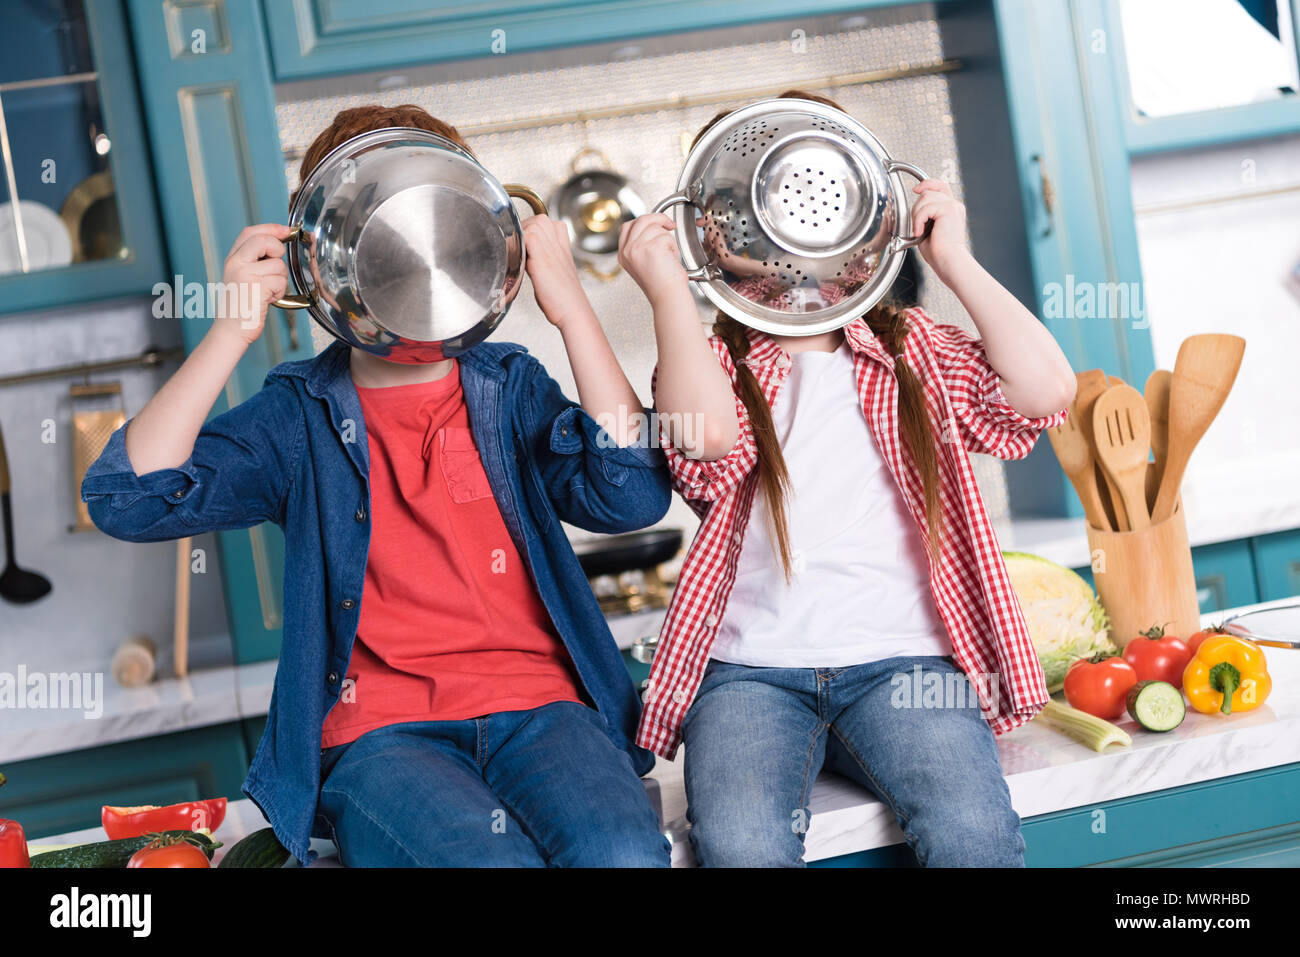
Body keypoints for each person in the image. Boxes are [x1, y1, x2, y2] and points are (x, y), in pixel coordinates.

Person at [83, 104, 672, 868]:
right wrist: (230, 328)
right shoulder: (296, 415)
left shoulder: (511, 386)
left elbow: (631, 495)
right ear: (319, 255)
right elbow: (128, 497)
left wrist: (571, 309)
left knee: (623, 854)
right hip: (381, 736)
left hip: (544, 709)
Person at [617, 90, 1077, 867]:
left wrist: (954, 260)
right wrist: (667, 291)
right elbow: (701, 442)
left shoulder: (913, 348)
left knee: (973, 833)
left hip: (905, 663)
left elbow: (1045, 391)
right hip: (749, 676)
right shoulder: (717, 364)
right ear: (712, 236)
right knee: (740, 844)